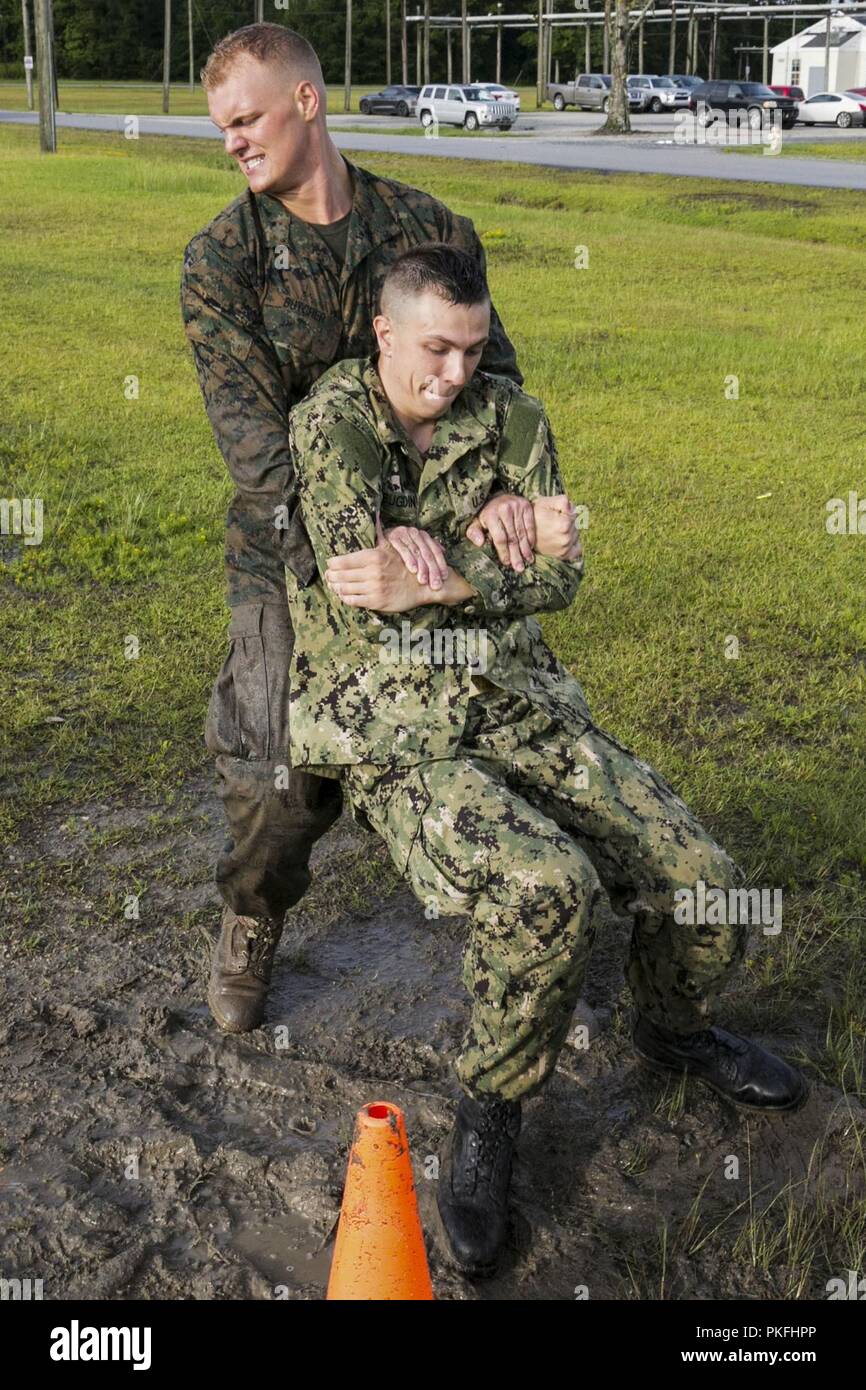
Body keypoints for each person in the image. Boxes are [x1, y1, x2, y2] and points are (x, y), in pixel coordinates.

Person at [283, 242, 808, 1278]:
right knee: (545, 887)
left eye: (475, 350)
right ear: (384, 332)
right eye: (435, 348)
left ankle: (673, 1028)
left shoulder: (510, 414)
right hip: (389, 717)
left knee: (705, 882)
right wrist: (489, 544)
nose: (457, 374)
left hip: (519, 696)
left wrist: (446, 569)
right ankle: (491, 1110)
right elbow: (363, 577)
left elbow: (561, 575)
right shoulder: (331, 419)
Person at [180, 22, 533, 1032]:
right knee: (276, 769)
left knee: (502, 727)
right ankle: (250, 916)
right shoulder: (222, 264)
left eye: (245, 118)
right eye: (221, 128)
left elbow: (494, 378)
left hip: (432, 548)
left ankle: (526, 911)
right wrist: (354, 554)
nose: (232, 142)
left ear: (304, 103)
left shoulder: (424, 228)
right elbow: (258, 455)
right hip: (285, 549)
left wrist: (504, 486)